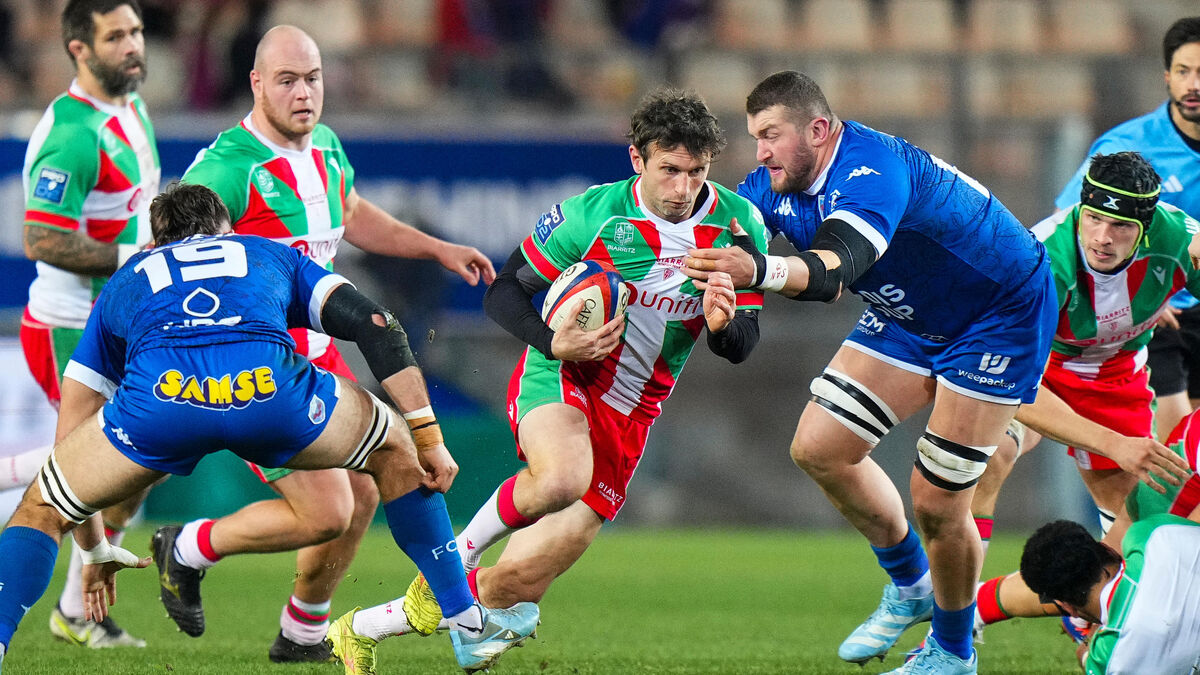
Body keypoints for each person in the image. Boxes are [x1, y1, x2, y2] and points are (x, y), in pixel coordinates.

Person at [0, 182, 538, 675]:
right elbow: (376, 325)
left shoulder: (129, 279)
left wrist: (92, 548)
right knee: (392, 446)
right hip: (268, 394)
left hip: (162, 406)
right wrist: (427, 438)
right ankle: (468, 626)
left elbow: (74, 420)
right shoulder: (268, 252)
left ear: (154, 242)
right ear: (226, 229)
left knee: (40, 507)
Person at [324, 87, 770, 671]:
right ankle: (451, 559)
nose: (684, 189)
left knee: (514, 586)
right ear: (638, 159)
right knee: (560, 478)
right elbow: (505, 291)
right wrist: (554, 341)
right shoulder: (591, 215)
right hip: (562, 378)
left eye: (696, 171)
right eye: (670, 171)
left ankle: (358, 628)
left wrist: (723, 325)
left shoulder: (741, 229)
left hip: (633, 414)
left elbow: (741, 346)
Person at [680, 69, 1056, 674]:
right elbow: (718, 229)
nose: (761, 152)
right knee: (820, 447)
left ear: (820, 130)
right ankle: (911, 584)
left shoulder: (871, 170)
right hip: (909, 314)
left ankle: (954, 652)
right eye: (756, 137)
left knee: (936, 501)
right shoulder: (774, 183)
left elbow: (830, 271)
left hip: (995, 316)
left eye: (772, 134)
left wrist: (758, 272)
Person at [148, 24, 497, 663]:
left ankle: (302, 632)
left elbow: (353, 212)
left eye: (312, 78)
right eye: (286, 80)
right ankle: (188, 547)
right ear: (256, 84)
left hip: (316, 358)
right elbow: (168, 259)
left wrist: (436, 247)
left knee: (363, 494)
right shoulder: (225, 169)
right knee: (333, 509)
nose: (303, 92)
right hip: (255, 371)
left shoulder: (327, 147)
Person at [13, 0, 157, 649]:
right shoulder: (72, 133)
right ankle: (73, 608)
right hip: (71, 327)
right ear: (79, 48)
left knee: (138, 465)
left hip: (123, 321)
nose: (133, 45)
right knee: (92, 469)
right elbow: (41, 237)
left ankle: (77, 609)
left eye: (136, 32)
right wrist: (136, 256)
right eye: (116, 36)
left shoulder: (132, 107)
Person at [1056, 17, 1200, 444]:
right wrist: (1138, 298)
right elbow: (1075, 225)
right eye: (1183, 71)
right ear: (1166, 77)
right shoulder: (1128, 147)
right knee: (1174, 447)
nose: (1194, 84)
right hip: (1158, 312)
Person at [1021, 506, 1200, 674]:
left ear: (1067, 607)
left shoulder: (1110, 659)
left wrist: (1085, 651)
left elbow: (1091, 662)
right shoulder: (1150, 533)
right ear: (1106, 549)